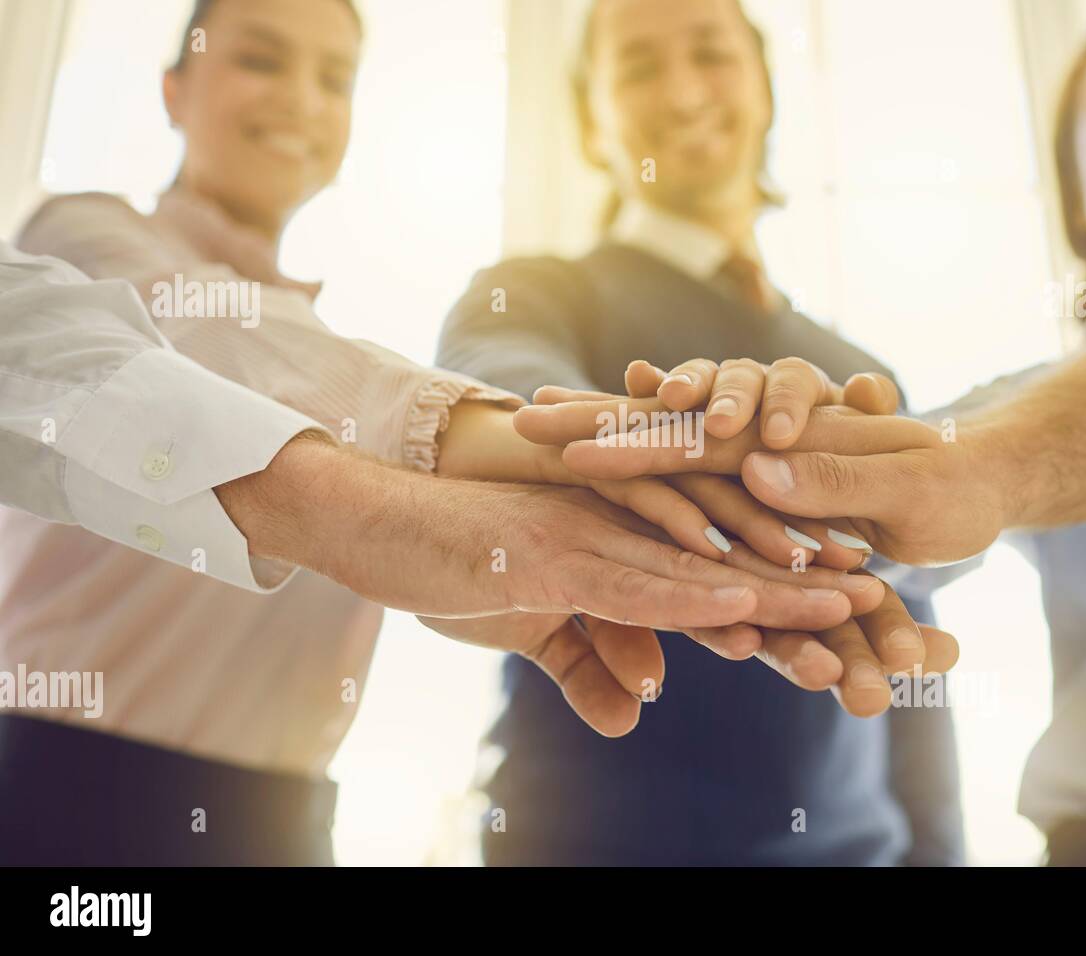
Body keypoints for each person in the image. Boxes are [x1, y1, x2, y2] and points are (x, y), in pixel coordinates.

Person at [1, 0, 907, 865]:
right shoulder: (81, 241)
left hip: (282, 814)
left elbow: (903, 614)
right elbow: (235, 356)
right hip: (66, 788)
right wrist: (593, 447)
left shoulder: (848, 360)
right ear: (172, 90)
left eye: (334, 77)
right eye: (260, 59)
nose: (299, 99)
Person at [532, 0, 1086, 868]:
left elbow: (910, 672)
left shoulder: (854, 364)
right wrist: (806, 512)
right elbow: (903, 550)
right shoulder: (548, 292)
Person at [437, 0, 964, 866]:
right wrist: (775, 476)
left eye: (711, 54)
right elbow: (509, 410)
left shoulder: (859, 370)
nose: (683, 93)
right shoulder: (533, 293)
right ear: (591, 121)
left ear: (764, 88)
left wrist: (940, 854)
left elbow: (907, 646)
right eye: (639, 67)